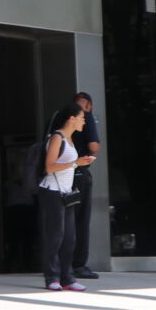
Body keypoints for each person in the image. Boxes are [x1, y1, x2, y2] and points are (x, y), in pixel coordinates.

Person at [36, 103, 93, 291]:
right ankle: (51, 277)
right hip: (52, 191)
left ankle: (67, 278)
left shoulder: (70, 139)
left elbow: (67, 165)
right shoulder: (57, 137)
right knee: (55, 236)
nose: (84, 121)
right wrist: (75, 162)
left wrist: (78, 163)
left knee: (70, 237)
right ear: (72, 119)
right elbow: (49, 167)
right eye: (82, 118)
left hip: (67, 192)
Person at [69, 90, 103, 279]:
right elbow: (93, 146)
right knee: (81, 220)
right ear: (88, 105)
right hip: (79, 174)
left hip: (61, 175)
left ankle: (61, 262)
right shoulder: (86, 117)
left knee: (66, 220)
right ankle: (78, 264)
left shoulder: (60, 118)